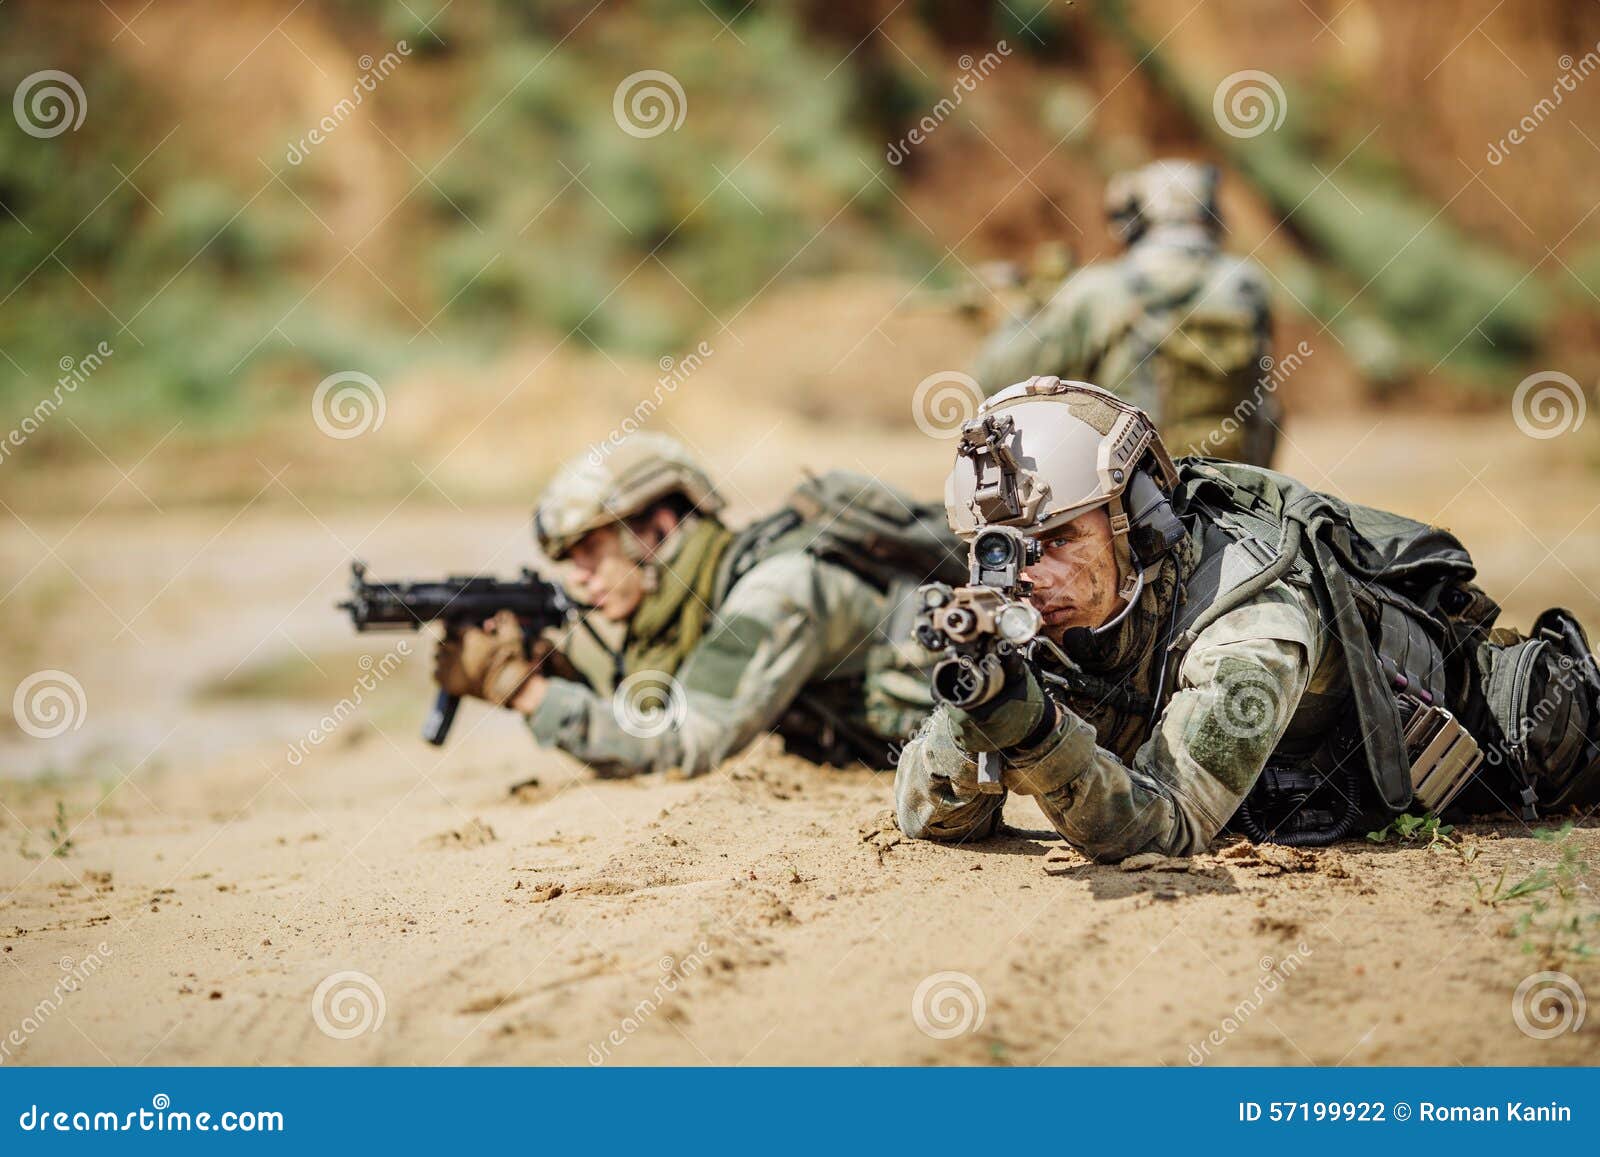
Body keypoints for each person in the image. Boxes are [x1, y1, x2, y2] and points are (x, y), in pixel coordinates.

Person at [896, 376, 1600, 862]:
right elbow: (932, 818)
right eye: (1002, 549)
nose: (1028, 573)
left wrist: (1042, 735)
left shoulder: (1250, 619)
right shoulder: (1046, 613)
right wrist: (979, 708)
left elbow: (1167, 830)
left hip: (1519, 737)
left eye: (1058, 539)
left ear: (1135, 525)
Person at [432, 433, 959, 777]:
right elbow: (651, 716)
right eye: (570, 560)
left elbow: (688, 742)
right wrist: (558, 678)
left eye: (591, 550)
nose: (579, 577)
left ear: (658, 529)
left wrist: (525, 692)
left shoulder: (773, 592)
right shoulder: (697, 599)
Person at [970, 160, 1278, 465]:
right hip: (1237, 489)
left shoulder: (1097, 291)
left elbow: (997, 374)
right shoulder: (1248, 285)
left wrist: (1024, 308)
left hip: (1134, 495)